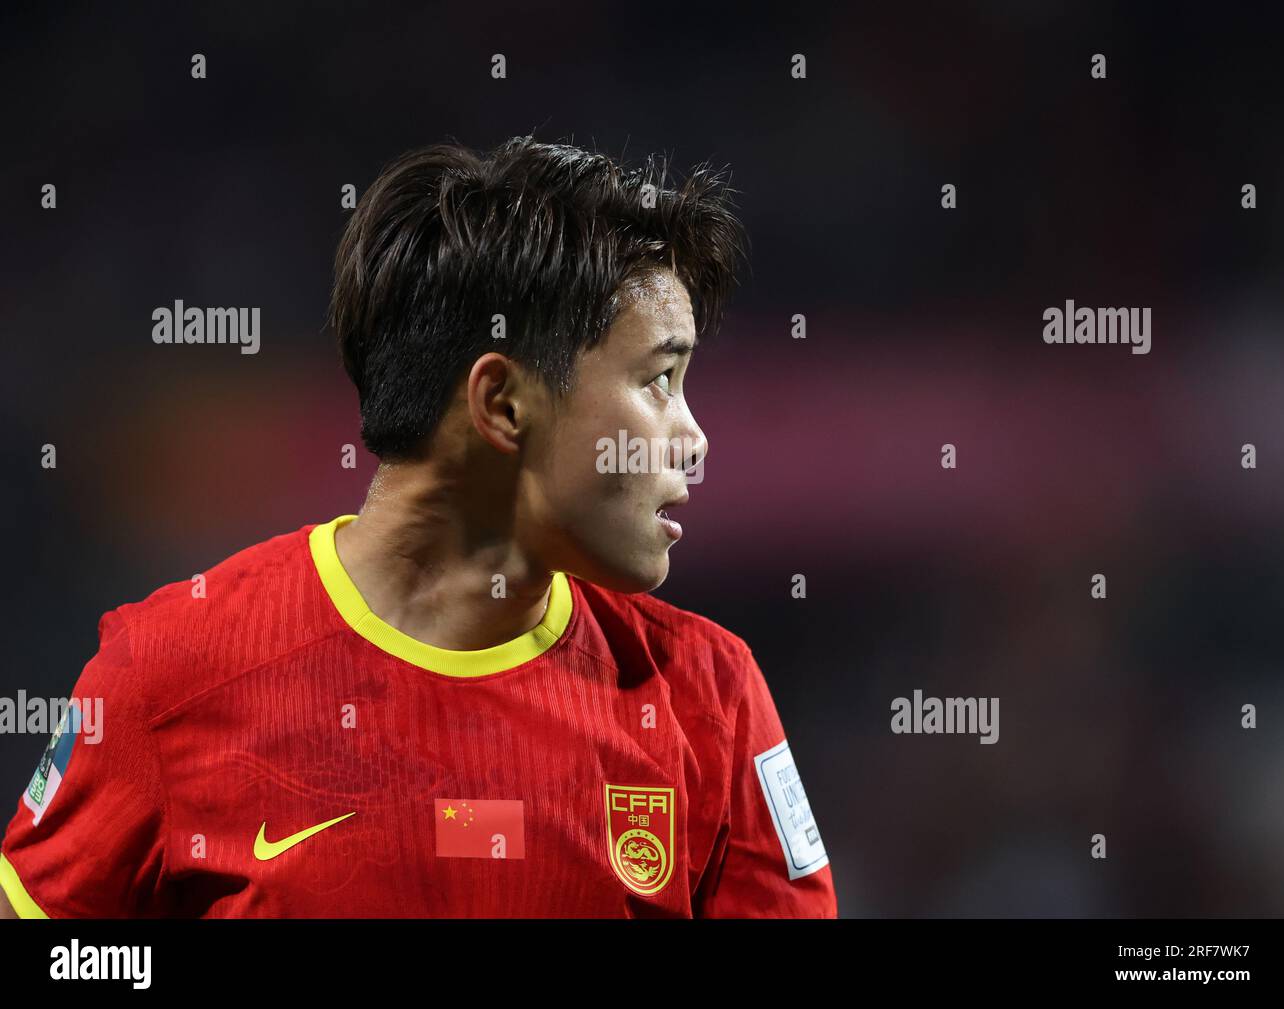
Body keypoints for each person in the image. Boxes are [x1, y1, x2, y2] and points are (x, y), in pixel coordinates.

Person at [0, 136, 835, 918]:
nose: (695, 437)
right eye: (659, 380)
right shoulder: (168, 675)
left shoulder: (710, 702)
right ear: (503, 403)